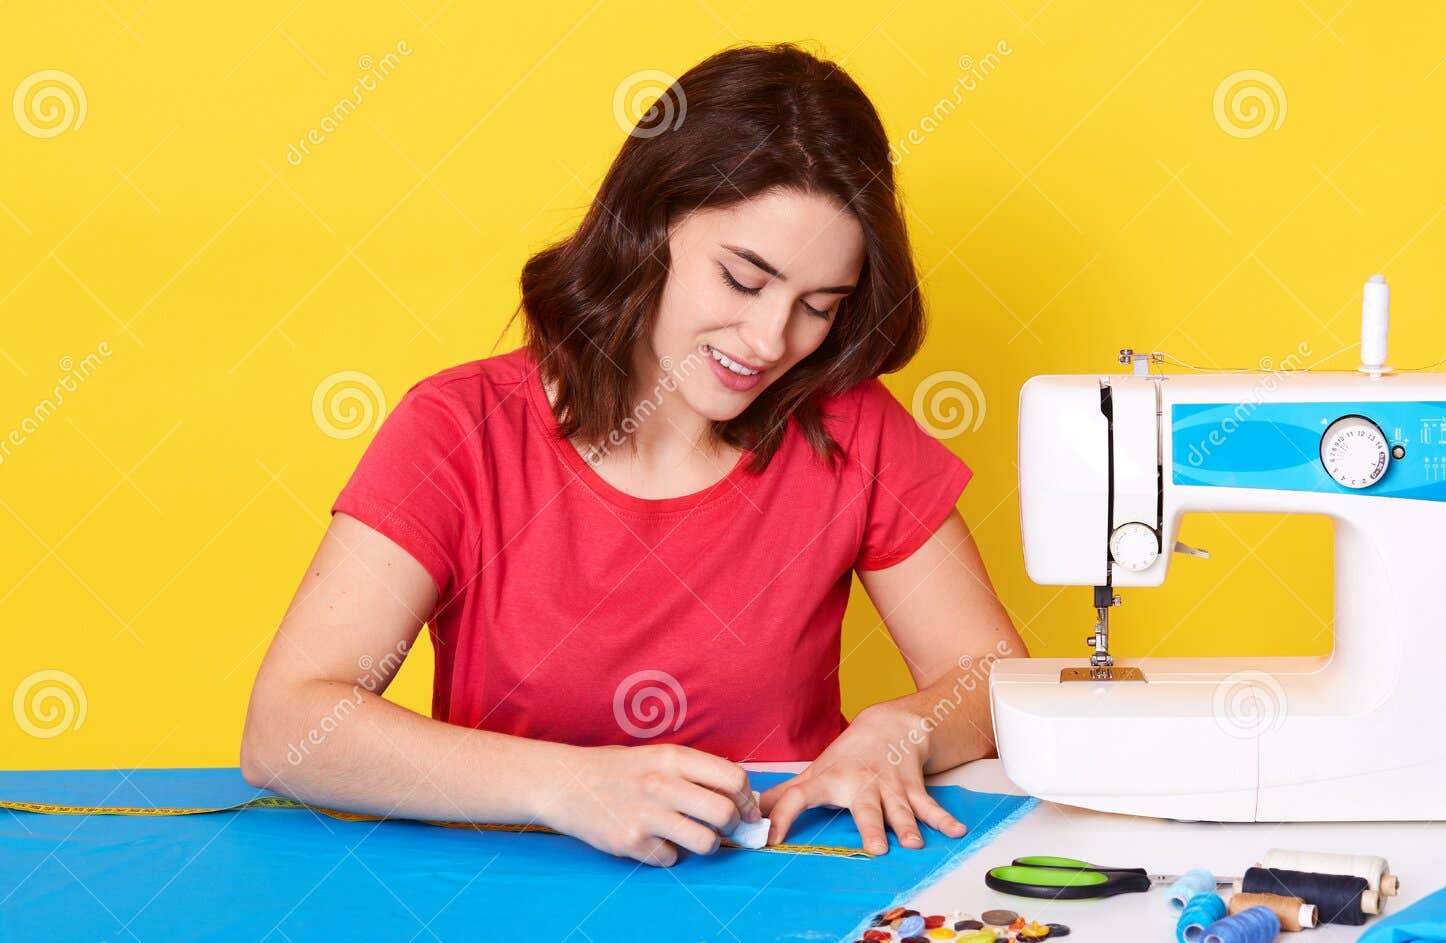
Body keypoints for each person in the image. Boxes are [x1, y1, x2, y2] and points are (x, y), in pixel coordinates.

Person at [240, 43, 1026, 866]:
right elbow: (287, 726)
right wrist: (568, 784)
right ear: (650, 228)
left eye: (817, 307)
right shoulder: (461, 428)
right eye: (742, 279)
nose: (769, 341)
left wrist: (906, 727)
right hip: (505, 903)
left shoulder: (849, 426)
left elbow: (997, 681)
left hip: (781, 900)